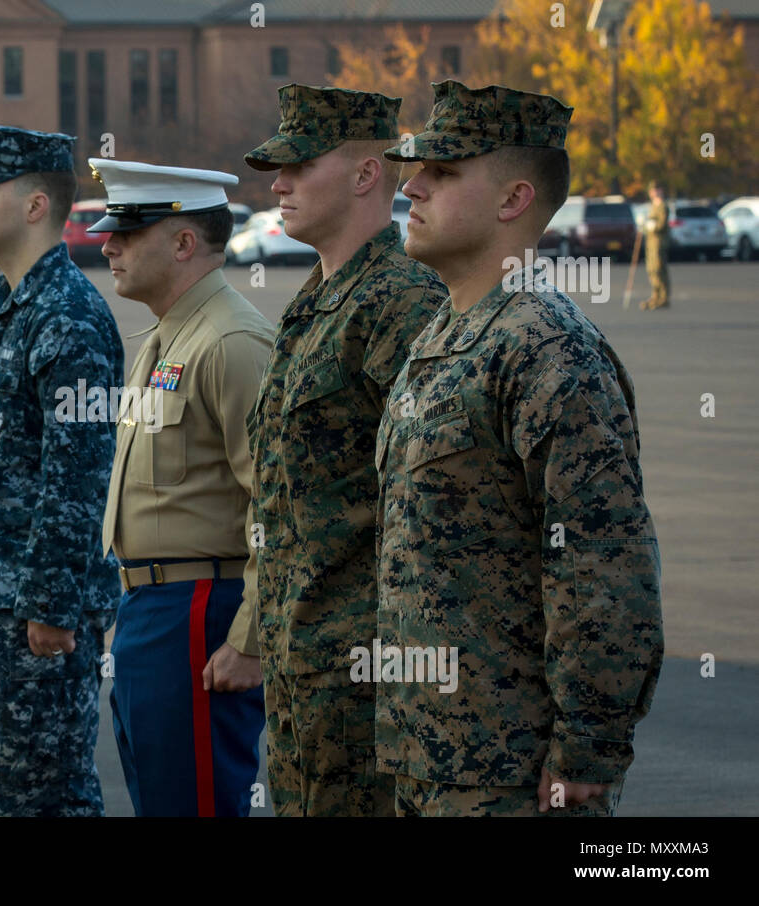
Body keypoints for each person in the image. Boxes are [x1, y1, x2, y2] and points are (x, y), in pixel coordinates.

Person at [377, 80, 664, 816]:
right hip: (424, 754)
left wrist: (587, 752)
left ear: (512, 201)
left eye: (442, 173)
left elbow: (603, 566)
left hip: (508, 770)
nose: (412, 186)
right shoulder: (443, 334)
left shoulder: (549, 349)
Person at [241, 84, 447, 817]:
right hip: (304, 669)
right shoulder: (317, 299)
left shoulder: (403, 302)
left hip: (367, 680)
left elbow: (429, 507)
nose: (278, 183)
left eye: (300, 165)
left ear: (367, 175)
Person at [0, 125, 123, 817]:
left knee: (44, 799)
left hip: (32, 614)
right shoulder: (11, 304)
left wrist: (50, 606)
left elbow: (76, 475)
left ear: (35, 204)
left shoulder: (68, 314)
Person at [89, 158, 273, 817]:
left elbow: (275, 508)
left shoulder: (230, 341)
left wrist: (249, 638)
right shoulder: (168, 334)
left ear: (183, 242)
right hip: (151, 608)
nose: (106, 244)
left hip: (200, 608)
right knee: (164, 797)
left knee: (196, 803)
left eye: (126, 232)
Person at [641, 182, 671, 311]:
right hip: (651, 242)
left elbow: (662, 224)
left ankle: (663, 298)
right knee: (651, 269)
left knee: (659, 269)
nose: (654, 192)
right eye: (652, 190)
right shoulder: (652, 206)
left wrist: (653, 226)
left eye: (657, 190)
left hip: (659, 242)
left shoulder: (663, 206)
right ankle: (655, 295)